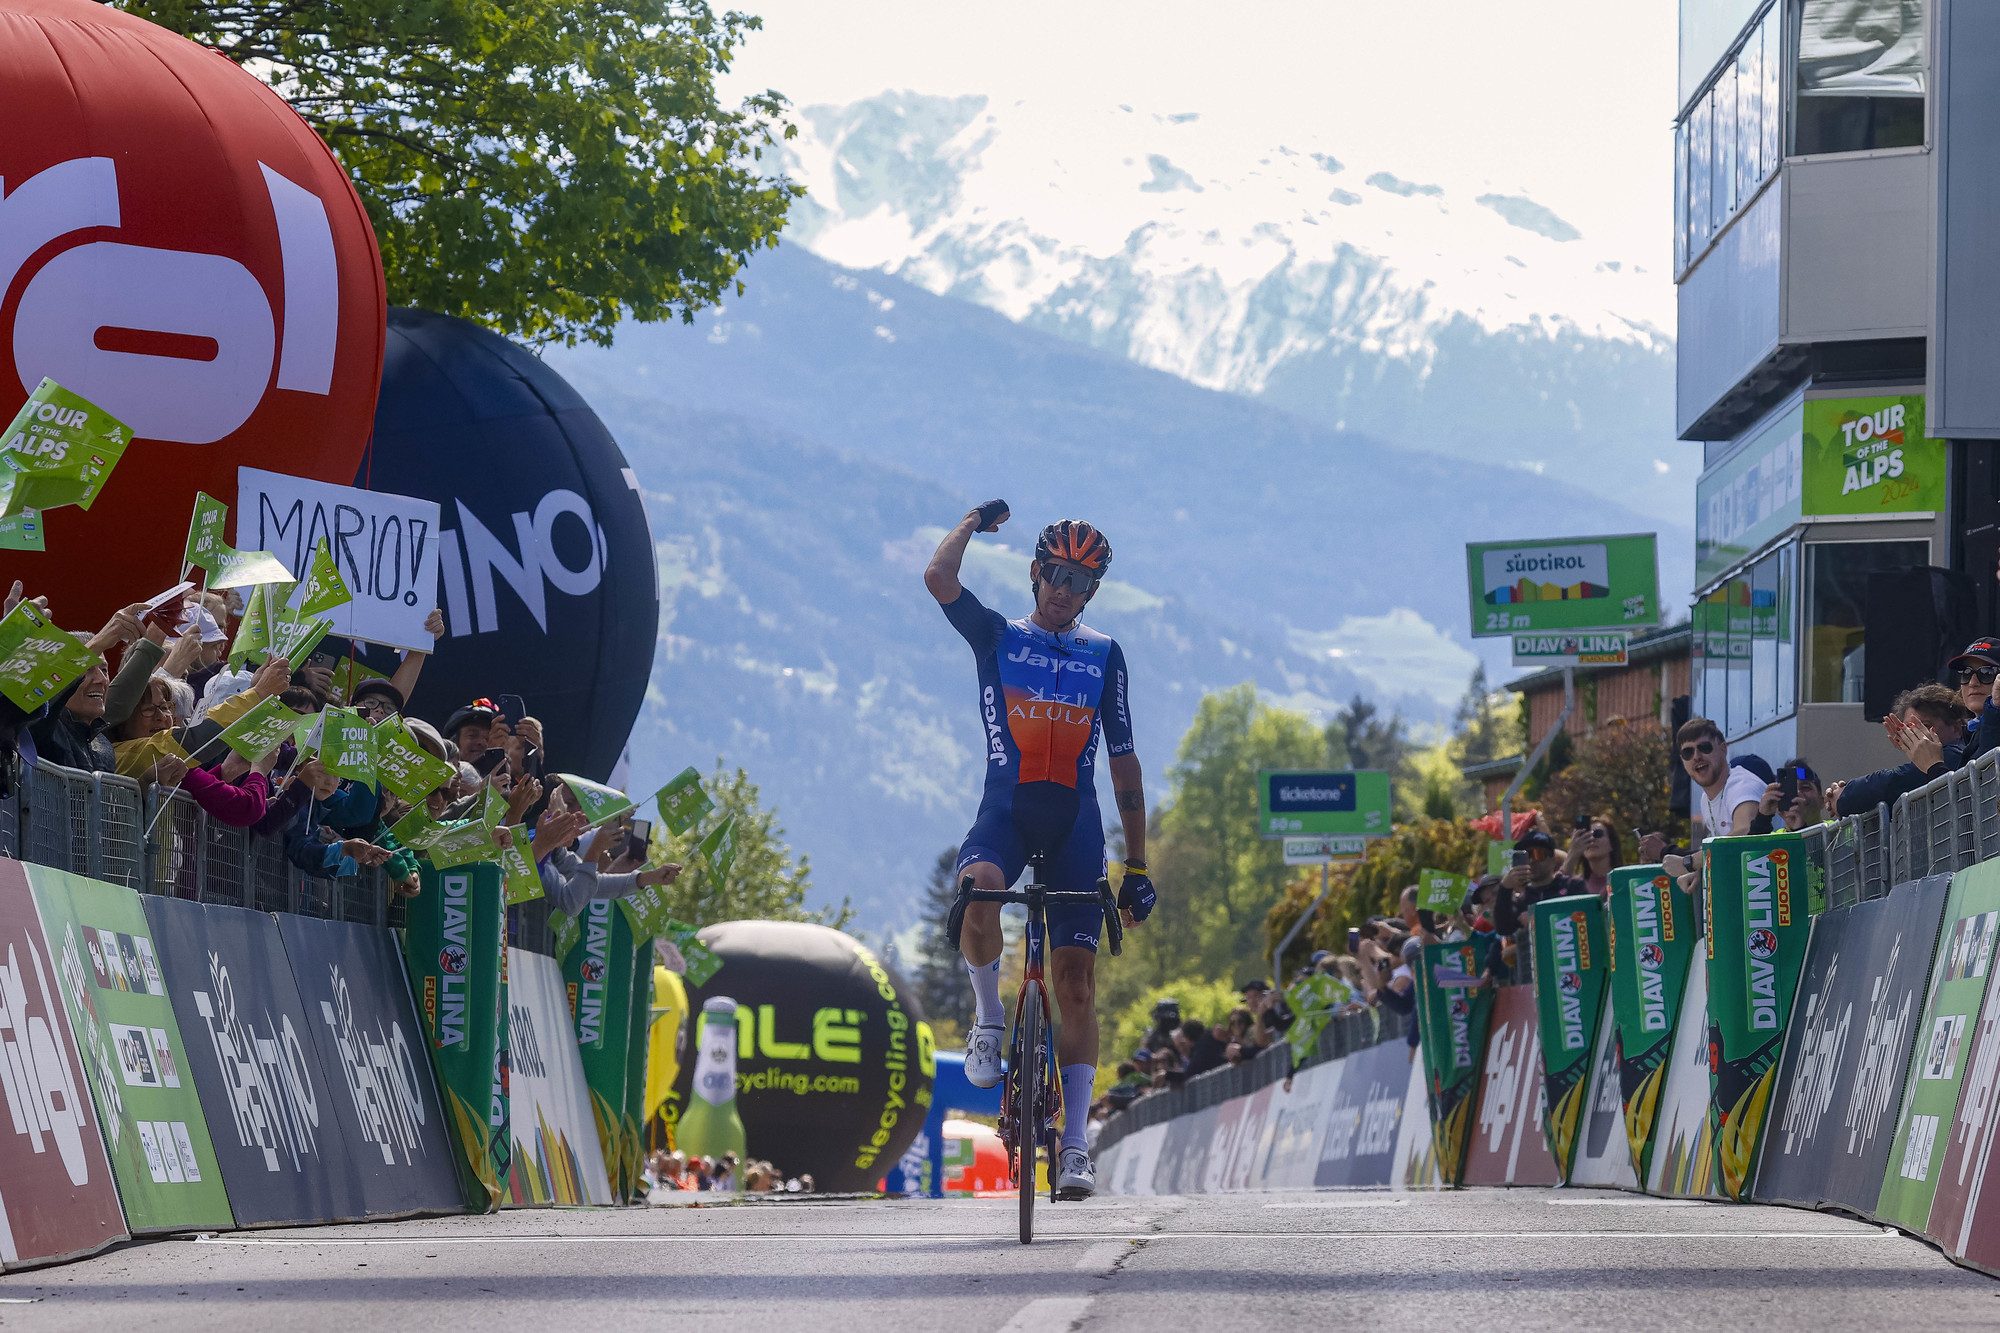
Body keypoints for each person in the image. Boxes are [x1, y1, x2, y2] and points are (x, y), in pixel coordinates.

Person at [925, 502, 1154, 1200]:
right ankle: (990, 1020)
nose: (1065, 589)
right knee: (980, 885)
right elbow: (938, 577)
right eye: (1056, 573)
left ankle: (1078, 1144)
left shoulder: (1104, 653)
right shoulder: (997, 636)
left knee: (1077, 981)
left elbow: (1124, 766)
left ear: (1092, 592)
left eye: (1080, 582)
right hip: (1008, 810)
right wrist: (970, 522)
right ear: (1034, 572)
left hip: (1076, 822)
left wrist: (1137, 864)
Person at [1829, 685, 1973, 817]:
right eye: (1908, 730)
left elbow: (1893, 782)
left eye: (1925, 726)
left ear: (1956, 728)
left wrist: (1844, 795)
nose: (1916, 736)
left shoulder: (1954, 755)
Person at [1676, 717, 1766, 845]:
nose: (1696, 757)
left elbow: (1745, 832)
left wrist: (1690, 861)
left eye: (1704, 747)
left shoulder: (1742, 786)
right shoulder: (1705, 799)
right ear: (1683, 761)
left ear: (1723, 749)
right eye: (1688, 752)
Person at [1561, 817, 1624, 897]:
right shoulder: (1576, 885)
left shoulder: (1624, 881)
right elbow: (1555, 894)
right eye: (1586, 836)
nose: (1592, 839)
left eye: (1598, 834)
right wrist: (1572, 854)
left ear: (1611, 844)